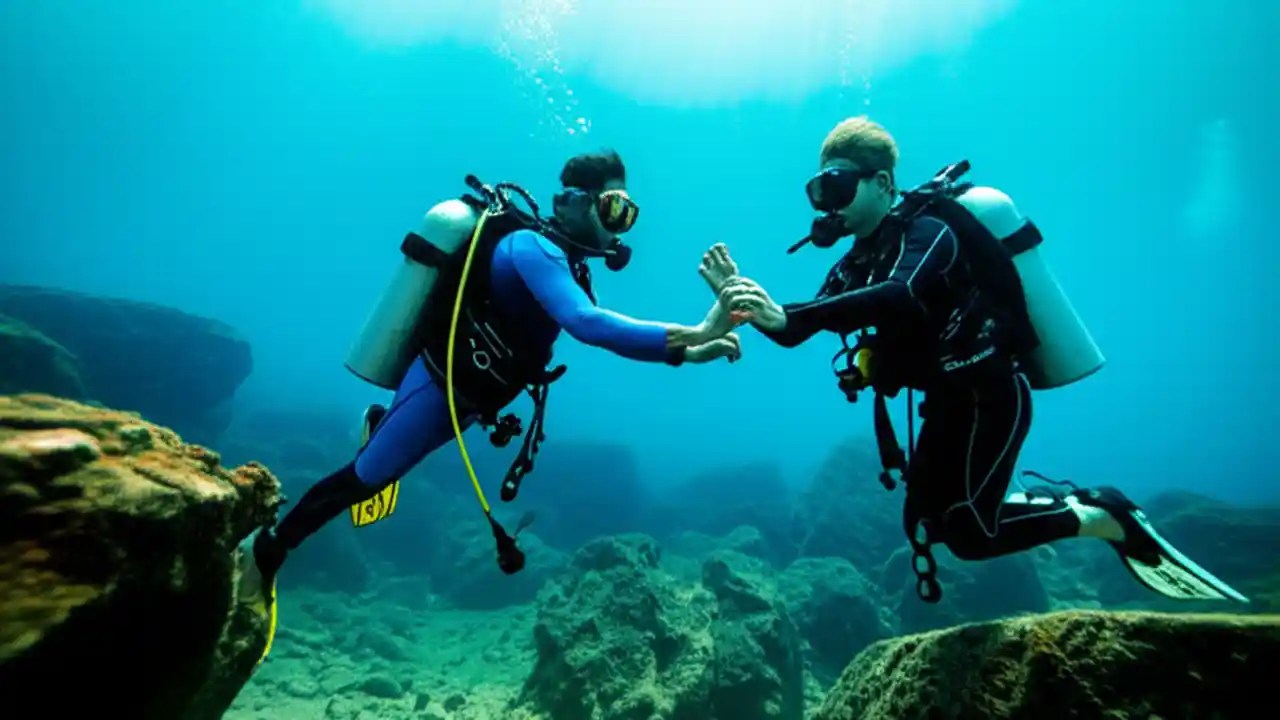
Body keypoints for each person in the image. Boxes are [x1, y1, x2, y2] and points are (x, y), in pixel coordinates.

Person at [700, 116, 1247, 605]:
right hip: (947, 402)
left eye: (838, 186)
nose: (828, 204)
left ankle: (1104, 517)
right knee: (924, 521)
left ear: (882, 182)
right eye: (819, 190)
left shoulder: (929, 230)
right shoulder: (857, 262)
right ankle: (1026, 503)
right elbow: (801, 327)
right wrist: (748, 308)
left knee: (968, 535)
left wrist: (790, 314)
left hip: (991, 398)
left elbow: (899, 294)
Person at [246, 149, 743, 658]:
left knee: (387, 465)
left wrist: (693, 351)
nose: (620, 228)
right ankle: (264, 552)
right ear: (570, 203)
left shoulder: (567, 263)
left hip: (474, 398)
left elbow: (590, 325)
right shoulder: (532, 247)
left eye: (628, 215)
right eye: (614, 209)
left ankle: (382, 424)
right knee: (366, 479)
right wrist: (698, 330)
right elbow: (588, 324)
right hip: (440, 387)